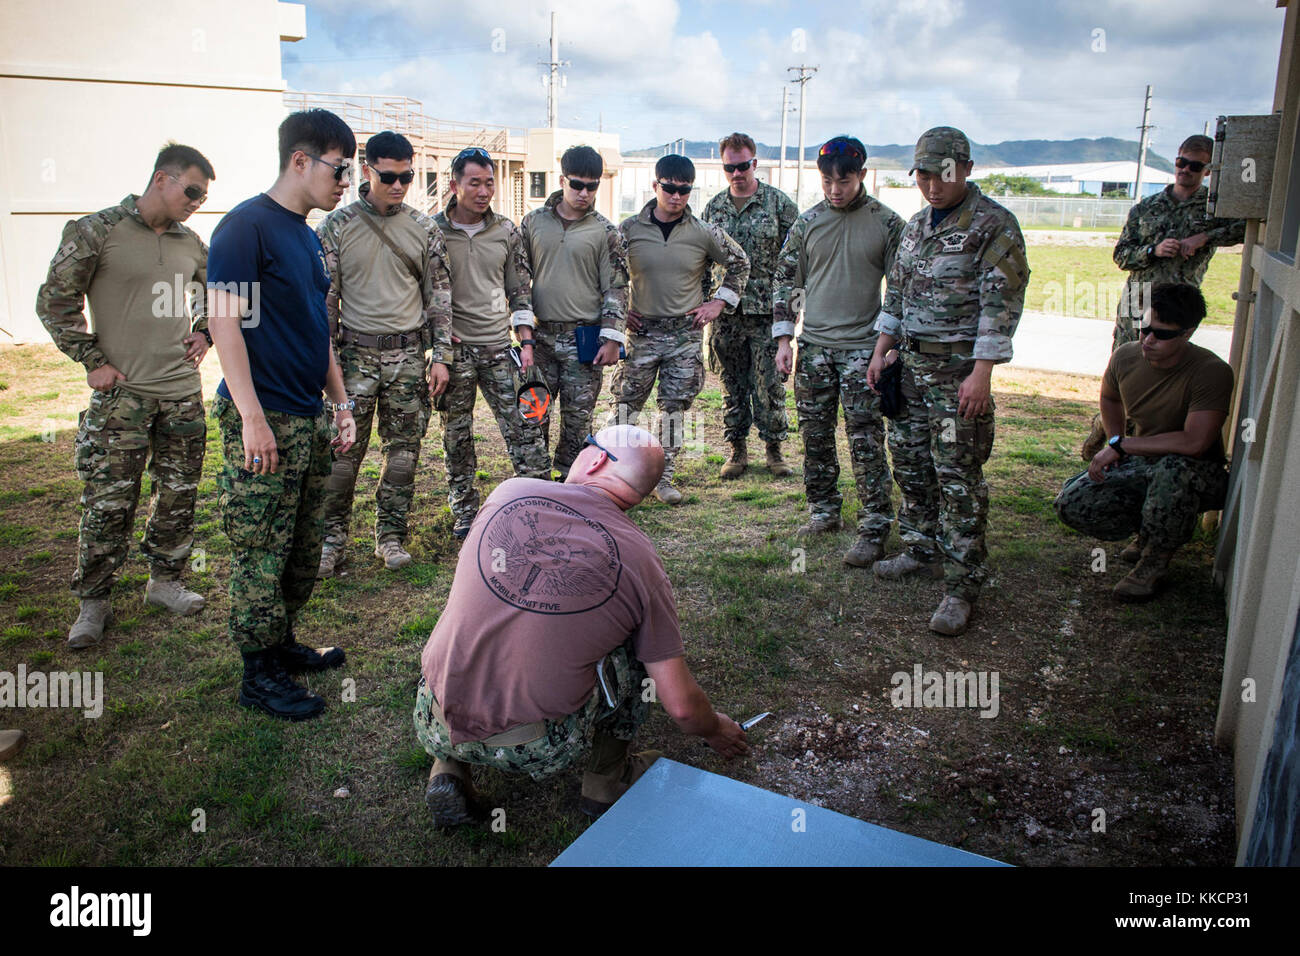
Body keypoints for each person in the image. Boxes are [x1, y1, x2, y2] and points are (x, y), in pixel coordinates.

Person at [413, 424, 749, 826]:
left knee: (481, 613)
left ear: (596, 459)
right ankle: (607, 780)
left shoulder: (508, 491)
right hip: (533, 744)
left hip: (431, 714)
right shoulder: (642, 562)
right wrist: (714, 729)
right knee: (638, 647)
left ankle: (447, 768)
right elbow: (680, 706)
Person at [207, 109, 358, 721]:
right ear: (301, 160)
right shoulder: (246, 227)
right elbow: (224, 322)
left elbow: (317, 330)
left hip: (307, 415)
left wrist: (341, 402)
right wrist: (251, 417)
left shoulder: (305, 235)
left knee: (299, 545)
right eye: (340, 167)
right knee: (259, 547)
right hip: (264, 414)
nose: (346, 180)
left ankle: (282, 641)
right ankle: (258, 673)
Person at [36, 143, 216, 649]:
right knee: (109, 501)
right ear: (163, 178)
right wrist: (93, 361)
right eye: (192, 190)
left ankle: (165, 583)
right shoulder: (96, 231)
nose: (197, 201)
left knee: (178, 497)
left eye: (203, 196)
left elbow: (217, 296)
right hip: (125, 396)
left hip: (181, 394)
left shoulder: (191, 243)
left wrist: (206, 332)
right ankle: (93, 602)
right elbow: (54, 300)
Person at [867, 126, 1030, 636]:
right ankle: (920, 548)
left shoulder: (993, 225)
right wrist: (880, 352)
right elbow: (896, 297)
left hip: (957, 375)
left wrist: (982, 375)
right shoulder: (915, 227)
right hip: (910, 369)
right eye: (923, 175)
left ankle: (961, 585)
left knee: (958, 477)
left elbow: (1001, 306)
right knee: (911, 464)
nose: (932, 185)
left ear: (965, 168)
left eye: (943, 174)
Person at [772, 136, 915, 567]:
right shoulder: (807, 222)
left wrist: (887, 349)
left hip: (862, 352)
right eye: (827, 180)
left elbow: (902, 289)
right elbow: (788, 282)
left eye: (844, 180)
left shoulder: (887, 224)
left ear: (862, 176)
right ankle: (824, 510)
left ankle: (874, 525)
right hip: (814, 348)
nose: (835, 188)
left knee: (865, 441)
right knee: (815, 437)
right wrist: (785, 339)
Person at [316, 131, 453, 575]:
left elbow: (440, 296)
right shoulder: (336, 226)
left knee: (403, 454)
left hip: (409, 358)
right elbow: (326, 302)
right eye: (389, 176)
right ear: (367, 170)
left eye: (407, 177)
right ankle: (331, 538)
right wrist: (327, 364)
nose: (398, 185)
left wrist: (443, 356)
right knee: (342, 454)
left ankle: (390, 536)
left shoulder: (424, 228)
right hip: (354, 358)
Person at [1054, 283, 1232, 601]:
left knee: (1172, 471)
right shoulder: (1126, 357)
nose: (1148, 340)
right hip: (1146, 457)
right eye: (1144, 328)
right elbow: (1109, 397)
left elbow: (1195, 442)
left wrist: (1122, 446)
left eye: (1162, 334)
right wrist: (1114, 437)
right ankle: (1147, 532)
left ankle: (1154, 562)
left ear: (1188, 332)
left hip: (1198, 472)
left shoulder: (1211, 372)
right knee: (1072, 504)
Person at [607, 154, 750, 504]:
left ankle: (663, 477)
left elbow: (740, 262)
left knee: (673, 409)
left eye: (684, 191)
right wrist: (620, 312)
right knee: (626, 405)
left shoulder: (703, 232)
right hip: (641, 333)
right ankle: (613, 474)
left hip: (684, 335)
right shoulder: (628, 230)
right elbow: (609, 274)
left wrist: (719, 302)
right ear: (655, 185)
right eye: (669, 188)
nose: (676, 197)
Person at [434, 147, 552, 539]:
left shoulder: (505, 230)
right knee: (457, 435)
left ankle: (539, 500)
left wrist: (526, 342)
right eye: (475, 183)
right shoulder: (432, 231)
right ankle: (465, 512)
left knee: (525, 428)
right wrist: (434, 335)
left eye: (489, 183)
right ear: (455, 185)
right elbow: (419, 290)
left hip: (499, 349)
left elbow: (519, 290)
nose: (484, 191)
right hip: (454, 353)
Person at [520, 145, 629, 480]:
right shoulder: (533, 223)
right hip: (540, 339)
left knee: (577, 418)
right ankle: (535, 481)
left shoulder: (606, 231)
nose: (584, 193)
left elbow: (616, 287)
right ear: (562, 178)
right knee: (532, 413)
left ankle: (570, 481)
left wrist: (611, 338)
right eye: (577, 184)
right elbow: (519, 280)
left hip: (584, 339)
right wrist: (523, 334)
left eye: (592, 186)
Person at [701, 132, 799, 479]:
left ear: (755, 163)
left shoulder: (779, 205)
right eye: (730, 167)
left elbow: (797, 262)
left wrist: (792, 313)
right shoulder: (713, 208)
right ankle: (736, 450)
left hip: (767, 314)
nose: (737, 173)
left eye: (743, 166)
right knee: (732, 383)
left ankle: (774, 450)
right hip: (726, 314)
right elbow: (701, 260)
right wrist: (702, 304)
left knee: (769, 383)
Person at [1110, 134, 1246, 348]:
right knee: (1125, 362)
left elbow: (1248, 228)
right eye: (1181, 162)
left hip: (1179, 302)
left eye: (1195, 165)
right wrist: (1153, 251)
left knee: (1167, 364)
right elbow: (1121, 256)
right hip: (1138, 299)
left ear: (1208, 170)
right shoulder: (1145, 208)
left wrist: (1205, 238)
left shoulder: (1214, 209)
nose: (1185, 169)